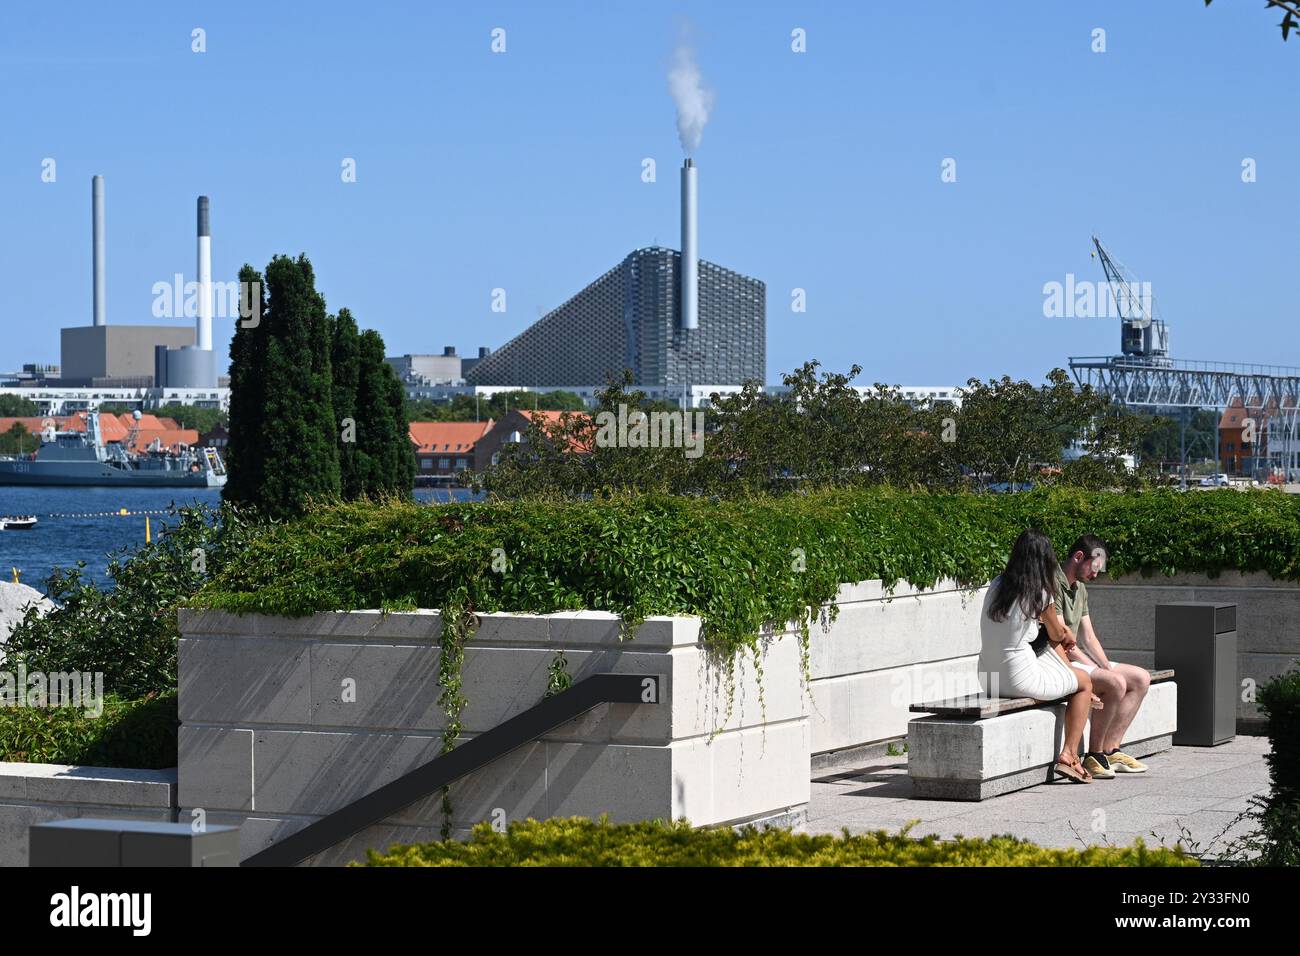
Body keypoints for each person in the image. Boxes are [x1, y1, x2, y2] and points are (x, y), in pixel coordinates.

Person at [978, 529, 1100, 783]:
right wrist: (1065, 633)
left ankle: (1070, 753)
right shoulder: (1041, 592)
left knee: (1067, 673)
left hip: (987, 675)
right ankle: (1069, 755)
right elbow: (1056, 634)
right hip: (1018, 677)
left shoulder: (997, 584)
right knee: (1084, 683)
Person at [1053, 534, 1151, 778]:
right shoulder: (1053, 584)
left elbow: (1089, 638)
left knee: (1140, 678)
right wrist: (1107, 674)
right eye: (1094, 568)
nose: (1096, 575)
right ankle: (1093, 756)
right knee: (1115, 682)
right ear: (1078, 557)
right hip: (1059, 659)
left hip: (1076, 655)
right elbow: (1066, 643)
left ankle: (1110, 749)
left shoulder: (1081, 588)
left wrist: (1107, 667)